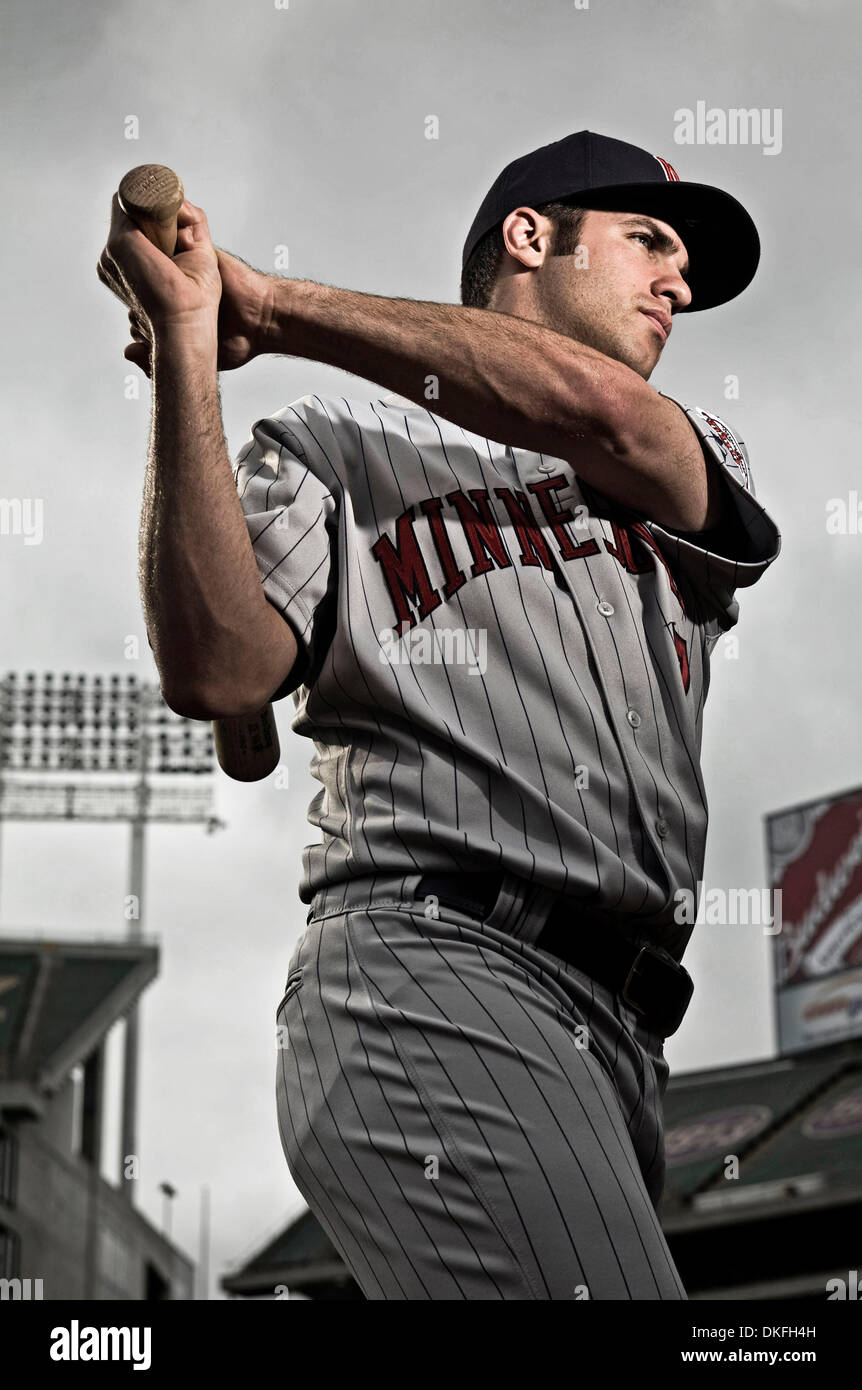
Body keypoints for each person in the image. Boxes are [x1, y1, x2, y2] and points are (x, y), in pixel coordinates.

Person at [98, 130, 781, 1299]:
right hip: (429, 969)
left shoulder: (686, 444)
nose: (677, 283)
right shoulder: (329, 448)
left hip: (616, 1033)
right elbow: (219, 675)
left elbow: (601, 420)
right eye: (648, 242)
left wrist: (265, 301)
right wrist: (188, 362)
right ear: (530, 236)